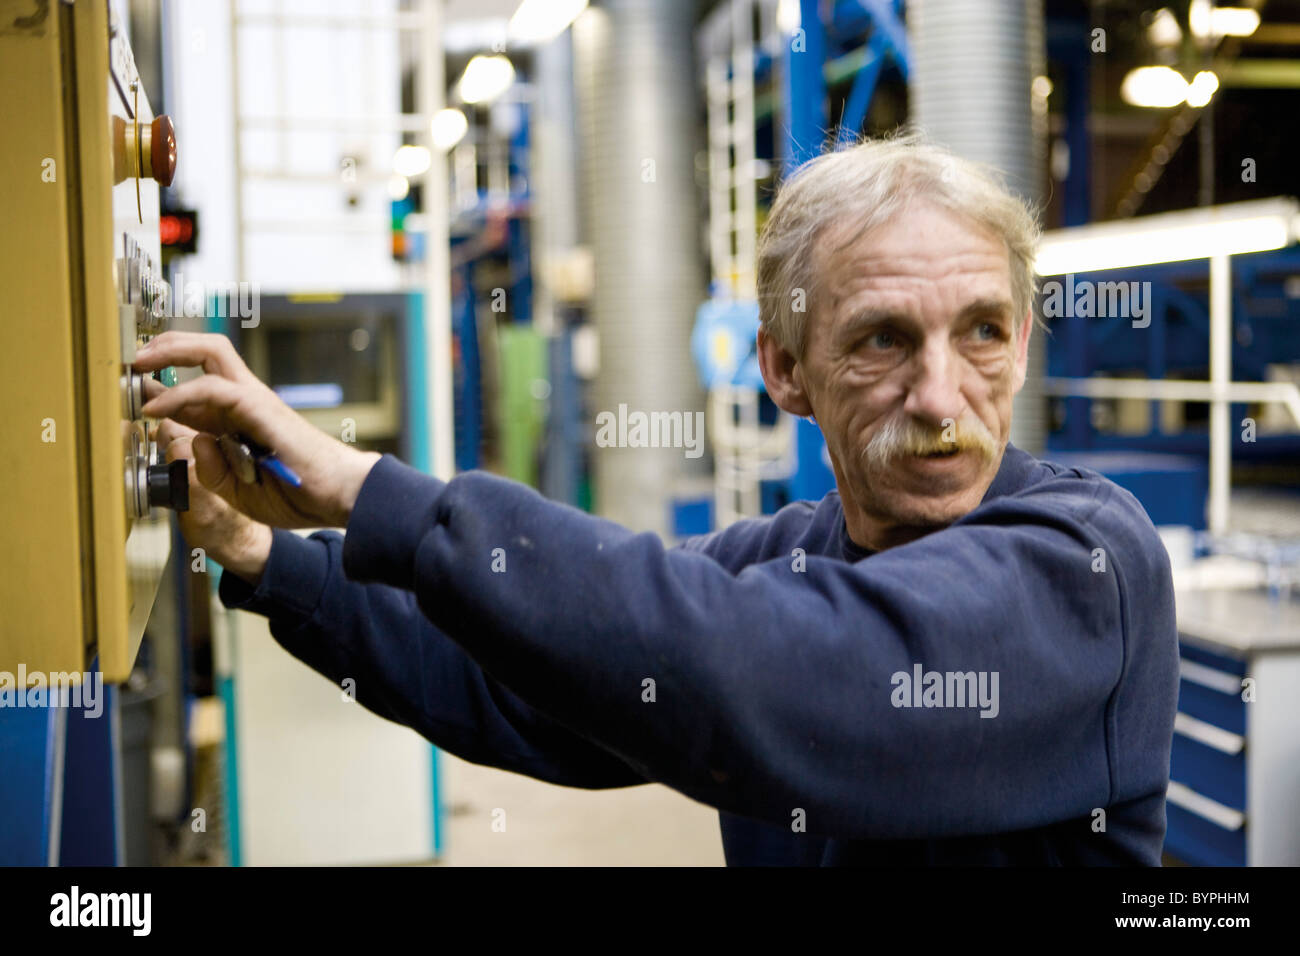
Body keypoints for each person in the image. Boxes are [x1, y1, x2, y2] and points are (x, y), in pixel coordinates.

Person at [136, 134, 1179, 866]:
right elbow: (525, 683)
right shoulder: (789, 553)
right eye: (882, 338)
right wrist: (262, 553)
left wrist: (372, 490)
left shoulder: (1083, 563)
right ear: (784, 368)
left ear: (1024, 343)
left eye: (983, 330)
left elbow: (766, 666)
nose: (943, 395)